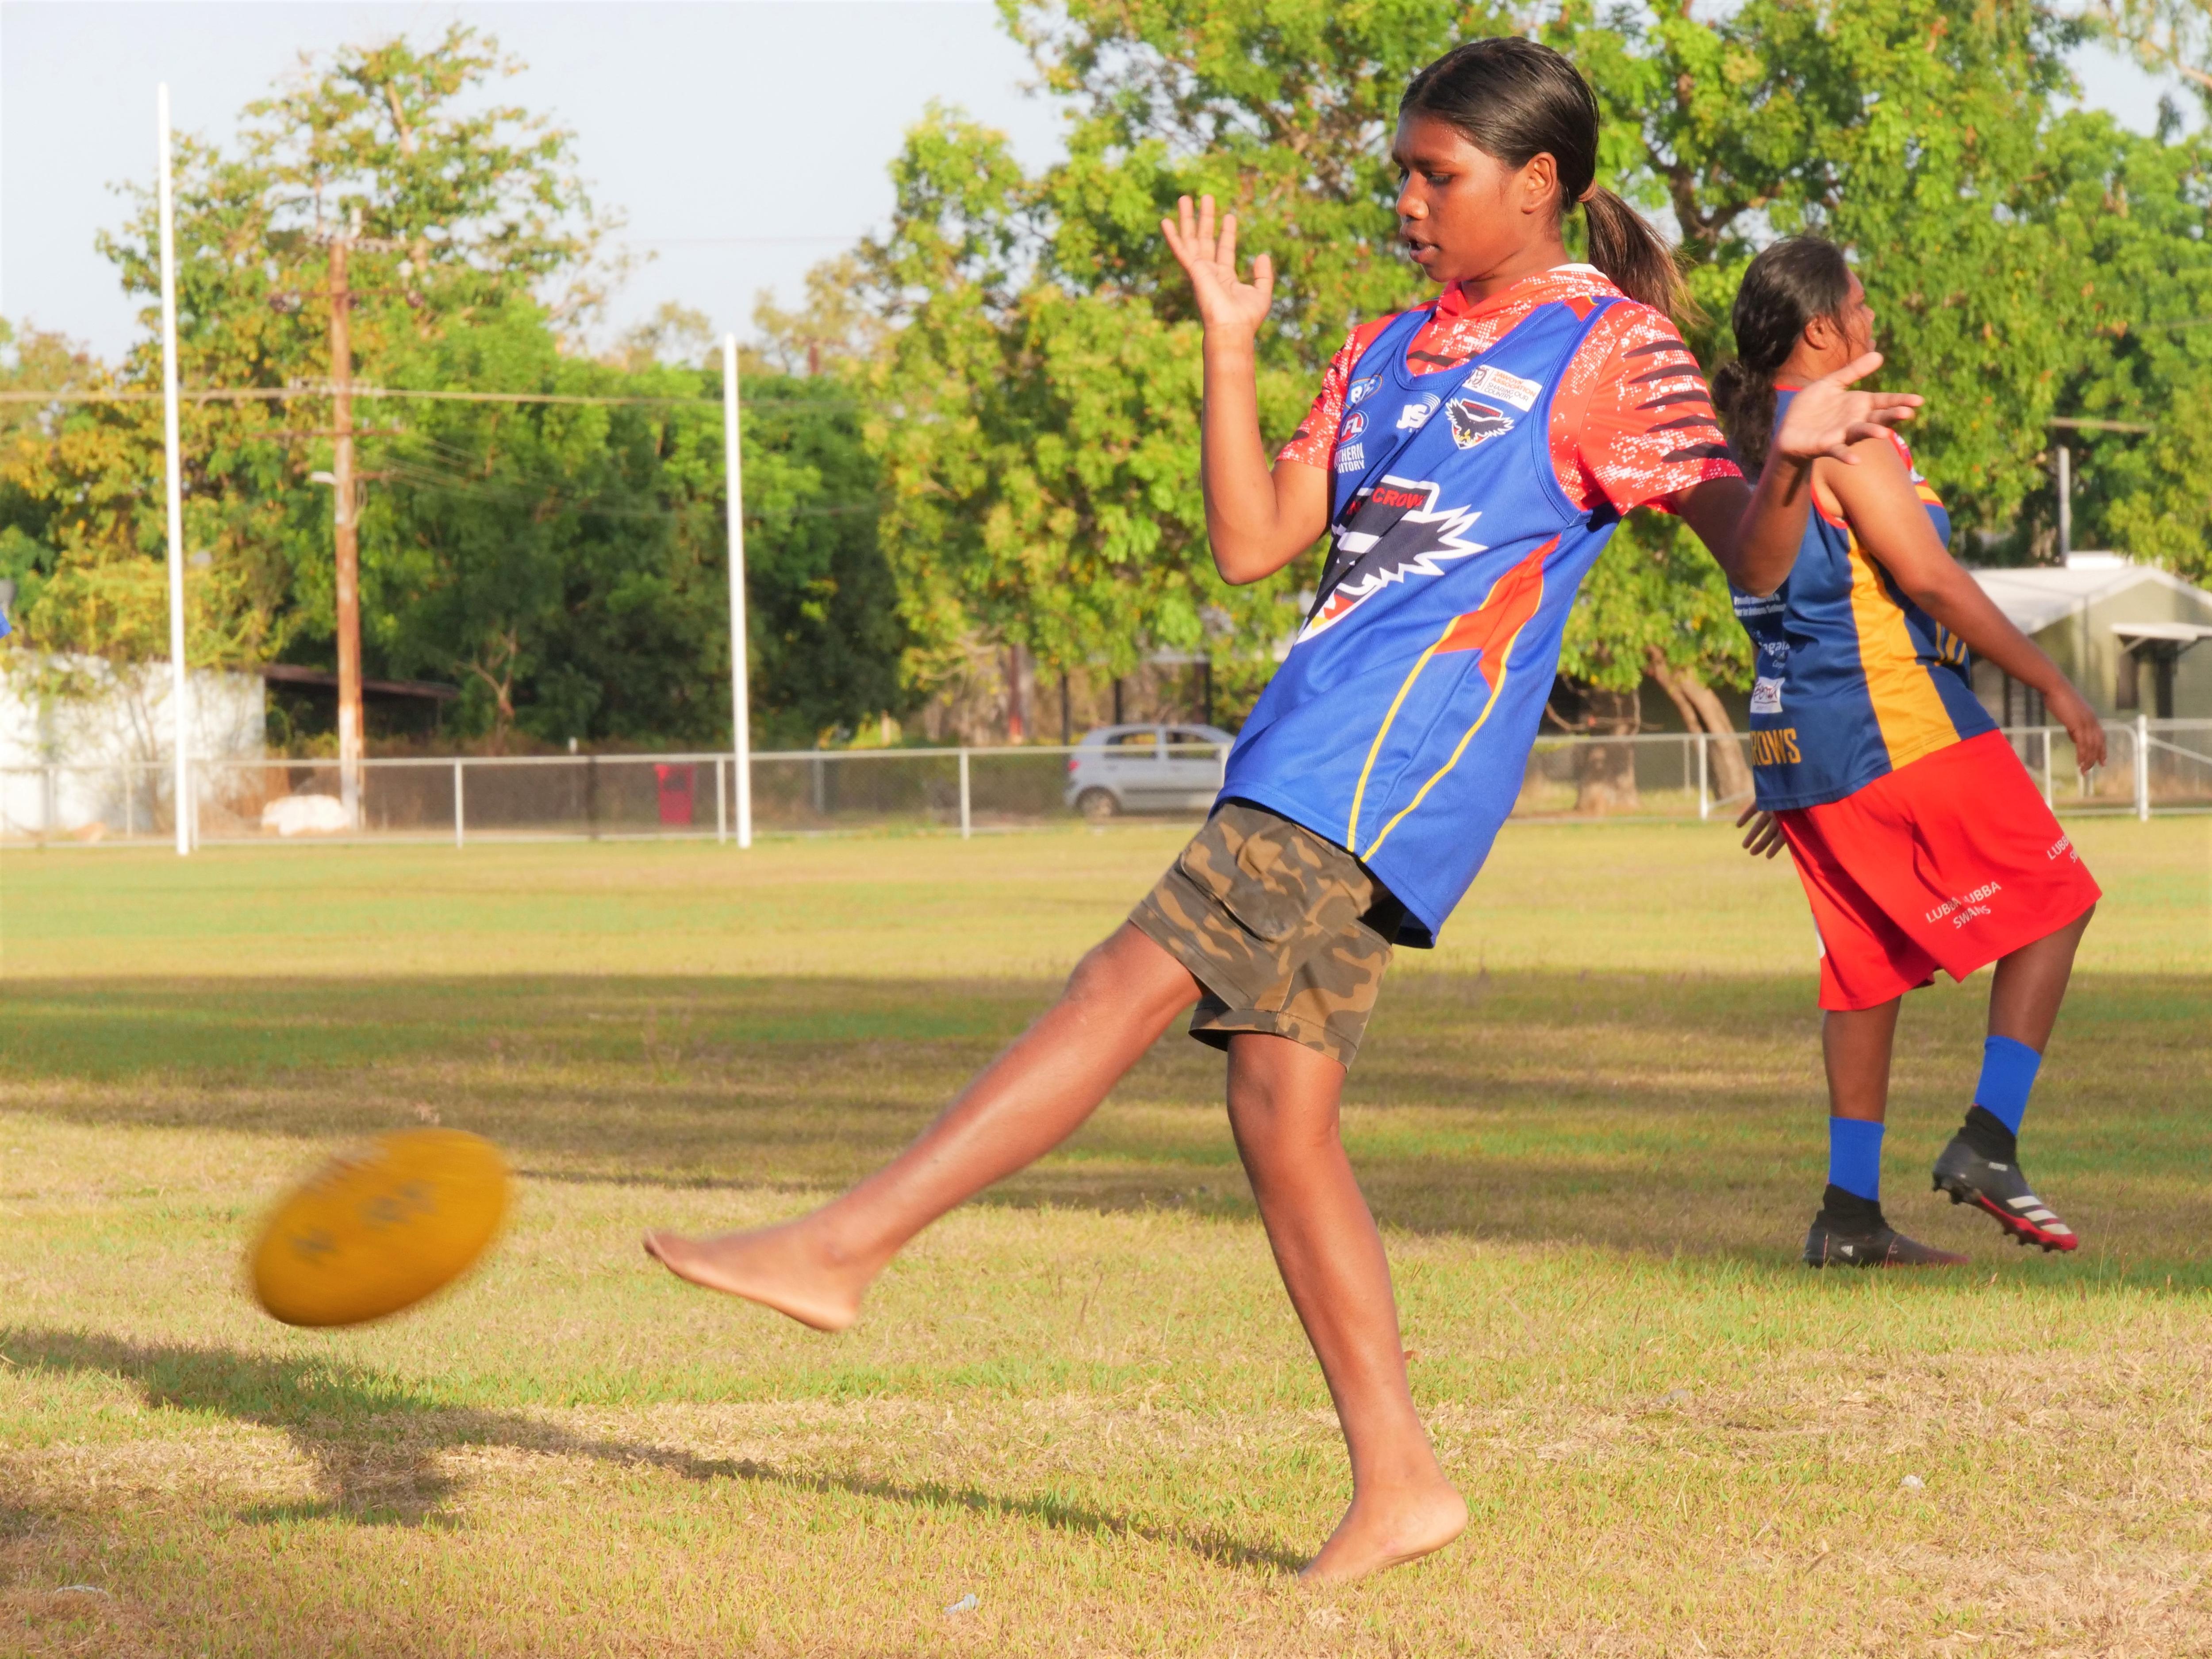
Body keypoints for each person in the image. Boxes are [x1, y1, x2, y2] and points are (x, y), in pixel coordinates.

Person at [645, 39, 1919, 1582]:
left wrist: (1786, 463)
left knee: (1119, 981)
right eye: (1400, 173)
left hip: (1389, 760)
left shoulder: (1611, 349)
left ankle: (843, 1246)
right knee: (1278, 1113)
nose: (1407, 202)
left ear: (1537, 184)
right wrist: (1231, 346)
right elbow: (1252, 542)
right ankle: (1401, 1484)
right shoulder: (1382, 348)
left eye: (1437, 175)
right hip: (1309, 738)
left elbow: (1756, 556)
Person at [1711, 237, 2108, 1270]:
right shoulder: (1842, 438)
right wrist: (2054, 683)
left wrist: (1794, 761)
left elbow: (1779, 602)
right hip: (1896, 719)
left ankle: (1848, 1219)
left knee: (1865, 972)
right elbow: (1929, 580)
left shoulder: (1768, 446)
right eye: (1857, 302)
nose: (1870, 316)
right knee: (2058, 900)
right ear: (1820, 330)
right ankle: (1989, 1141)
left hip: (1817, 741)